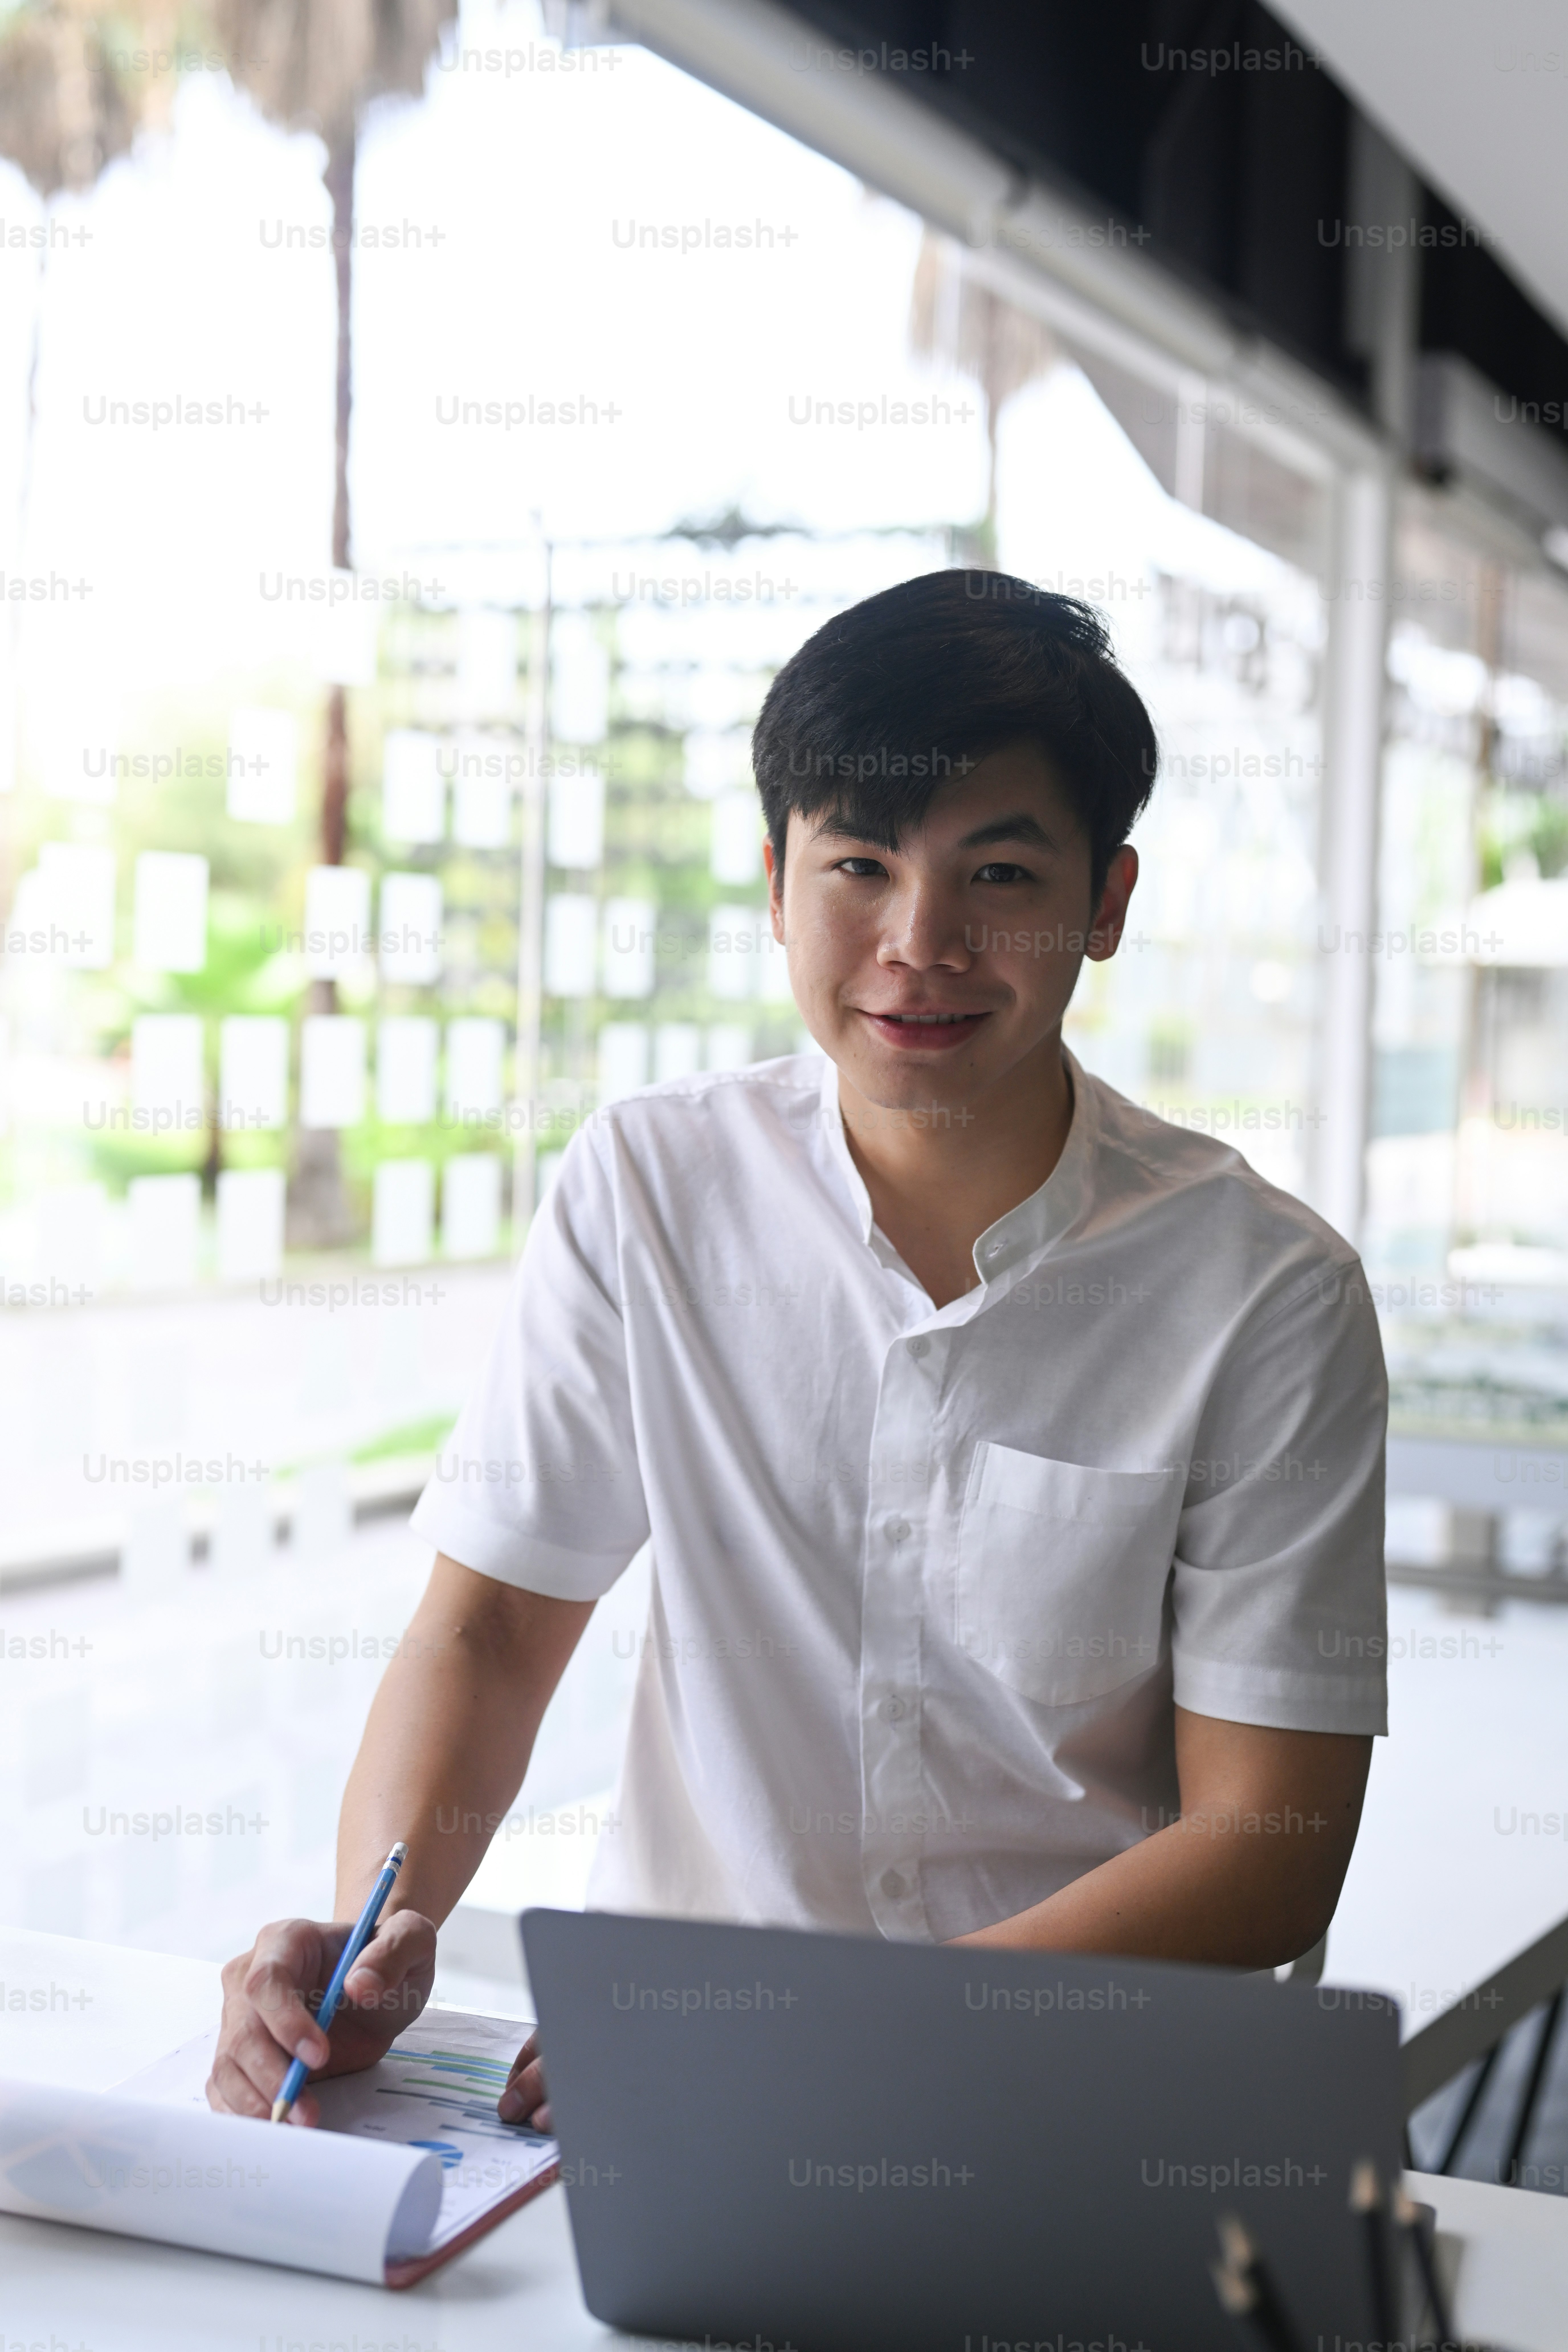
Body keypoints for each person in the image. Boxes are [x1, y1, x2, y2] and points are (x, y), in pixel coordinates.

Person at [208, 570, 1387, 2133]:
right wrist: (374, 1933)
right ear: (776, 884)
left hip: (1076, 2093)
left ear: (1106, 904)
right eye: (859, 864)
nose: (920, 942)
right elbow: (490, 1625)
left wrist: (859, 2038)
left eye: (1001, 871)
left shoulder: (1263, 1290)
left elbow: (1270, 1844)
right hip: (671, 2080)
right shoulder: (650, 1187)